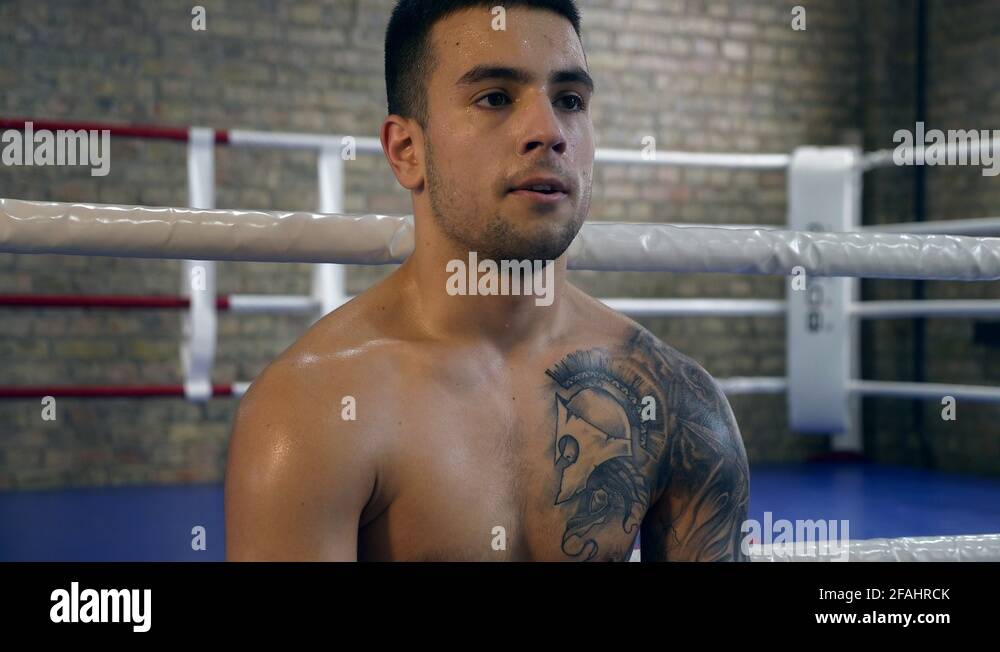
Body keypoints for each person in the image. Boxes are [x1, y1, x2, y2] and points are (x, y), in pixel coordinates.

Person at [225, 0, 749, 561]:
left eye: (569, 100)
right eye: (495, 97)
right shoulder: (313, 410)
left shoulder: (674, 400)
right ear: (407, 151)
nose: (548, 132)